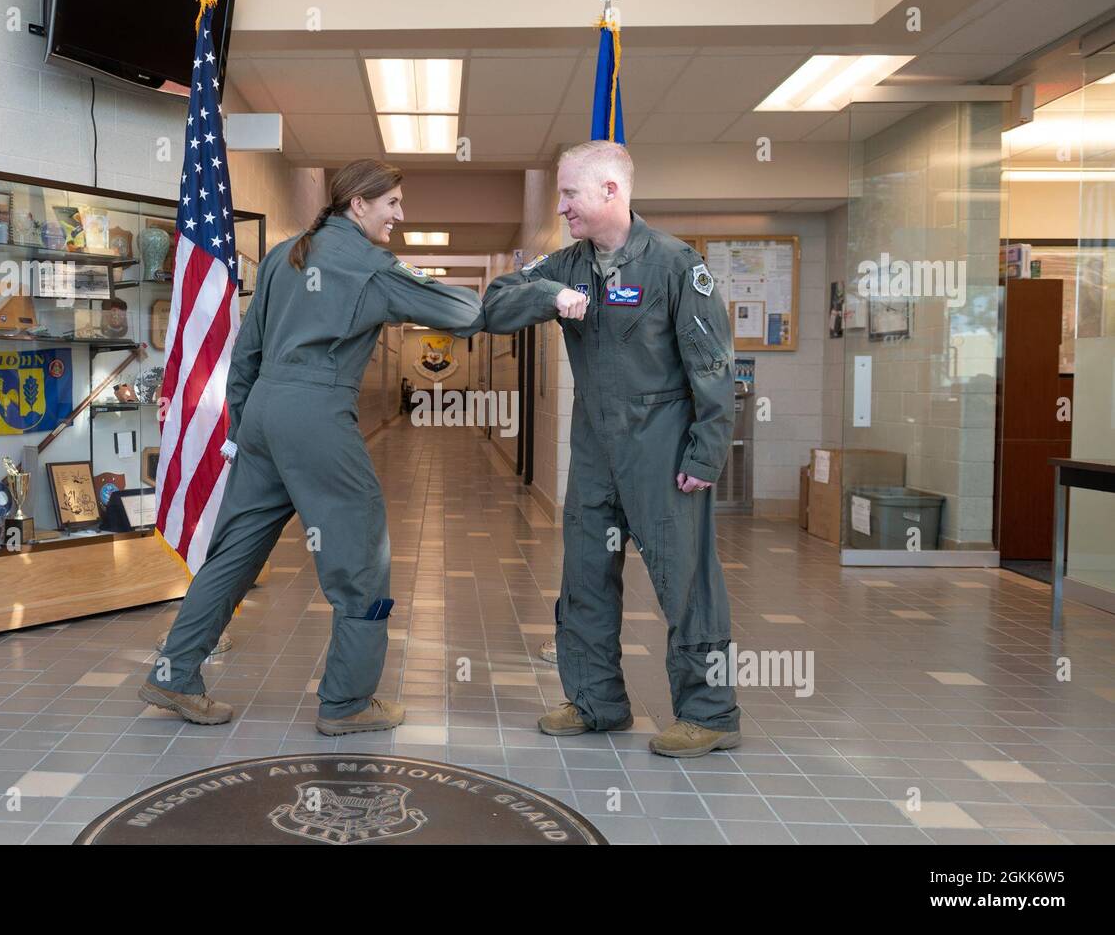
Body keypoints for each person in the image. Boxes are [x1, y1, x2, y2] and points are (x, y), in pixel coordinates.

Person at [140, 159, 483, 733]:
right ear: (359, 205)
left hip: (266, 415)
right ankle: (347, 703)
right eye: (392, 202)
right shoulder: (371, 264)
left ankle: (174, 674)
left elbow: (246, 352)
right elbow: (465, 313)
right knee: (360, 554)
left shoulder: (283, 253)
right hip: (318, 415)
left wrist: (249, 432)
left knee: (234, 552)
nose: (400, 214)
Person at [481, 140, 741, 758]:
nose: (562, 206)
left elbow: (713, 366)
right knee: (586, 578)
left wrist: (705, 456)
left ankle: (710, 714)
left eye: (570, 193)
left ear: (609, 192)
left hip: (663, 449)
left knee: (686, 582)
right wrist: (545, 298)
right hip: (594, 450)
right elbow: (493, 303)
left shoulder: (677, 265)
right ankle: (597, 703)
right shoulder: (567, 266)